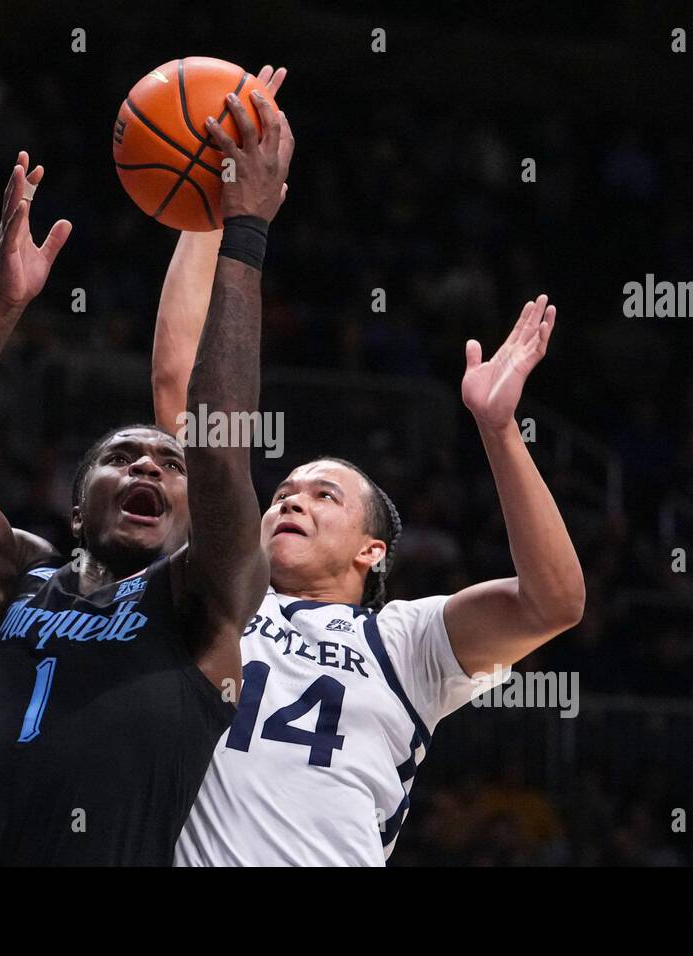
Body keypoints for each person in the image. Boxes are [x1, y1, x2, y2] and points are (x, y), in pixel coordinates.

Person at [0, 89, 292, 864]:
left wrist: (246, 231)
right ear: (74, 512)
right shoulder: (23, 578)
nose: (147, 464)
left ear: (193, 514)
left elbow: (218, 439)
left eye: (169, 464)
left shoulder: (204, 602)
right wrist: (1, 306)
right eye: (120, 457)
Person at [150, 142, 585, 862]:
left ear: (371, 550)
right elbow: (178, 386)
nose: (291, 501)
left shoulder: (406, 643)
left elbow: (554, 604)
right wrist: (210, 207)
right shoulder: (219, 588)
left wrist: (500, 432)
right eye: (283, 492)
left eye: (325, 495)